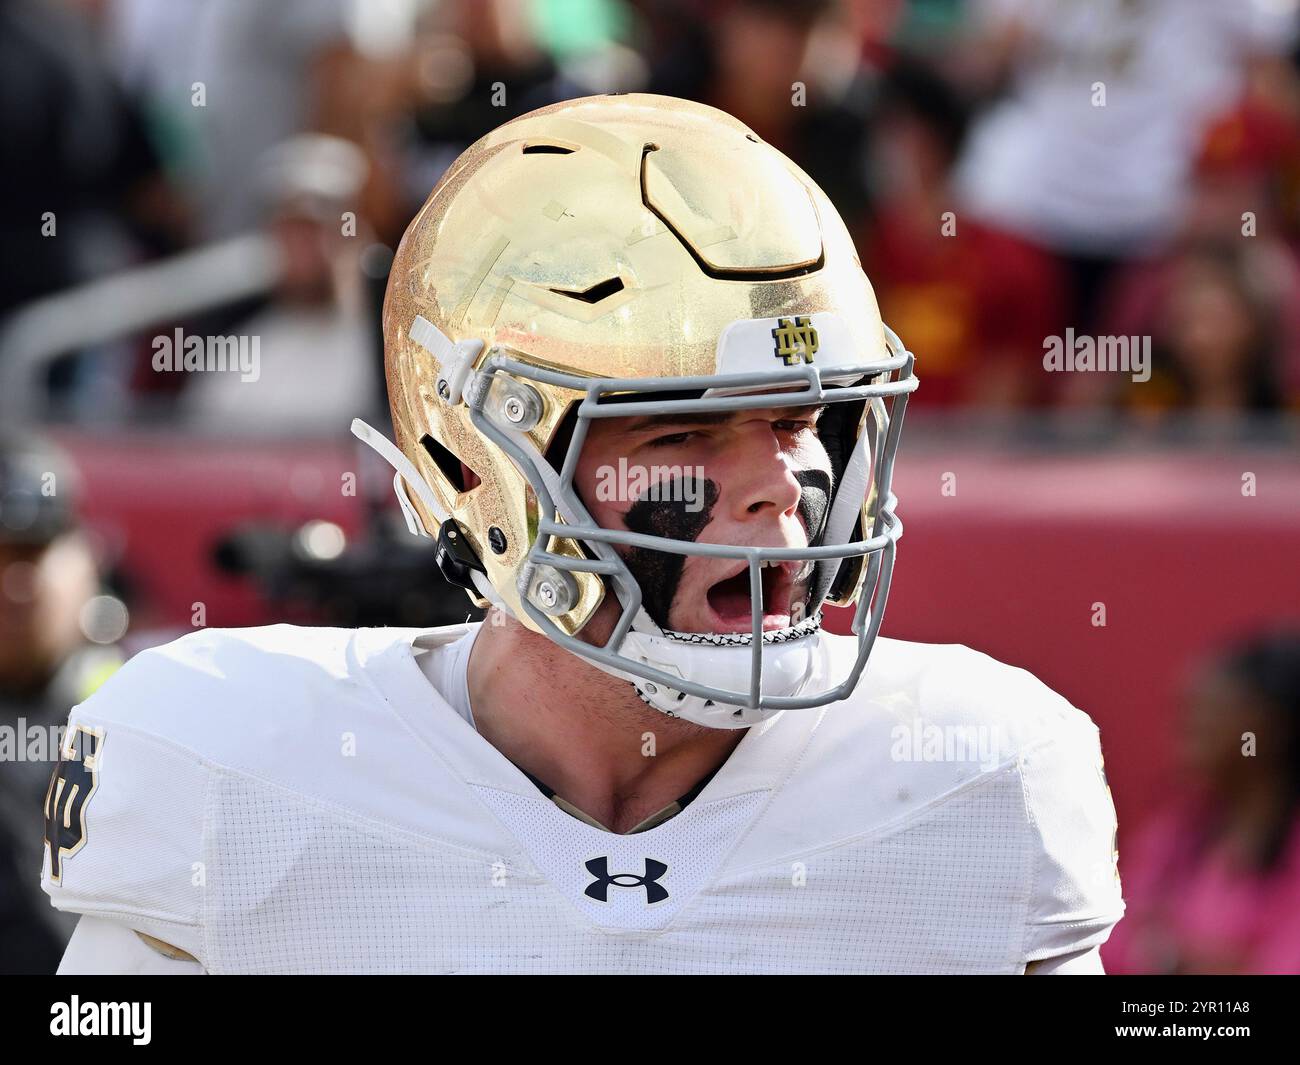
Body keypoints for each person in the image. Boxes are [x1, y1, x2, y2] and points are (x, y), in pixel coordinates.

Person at [42, 94, 1123, 974]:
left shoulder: (973, 779)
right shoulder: (235, 770)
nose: (779, 487)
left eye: (801, 419)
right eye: (685, 431)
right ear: (475, 464)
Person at [1104, 631, 1300, 974]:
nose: (1189, 731)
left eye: (1212, 713)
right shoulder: (1177, 828)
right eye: (1188, 713)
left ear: (1272, 726)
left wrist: (1169, 951)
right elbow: (1109, 942)